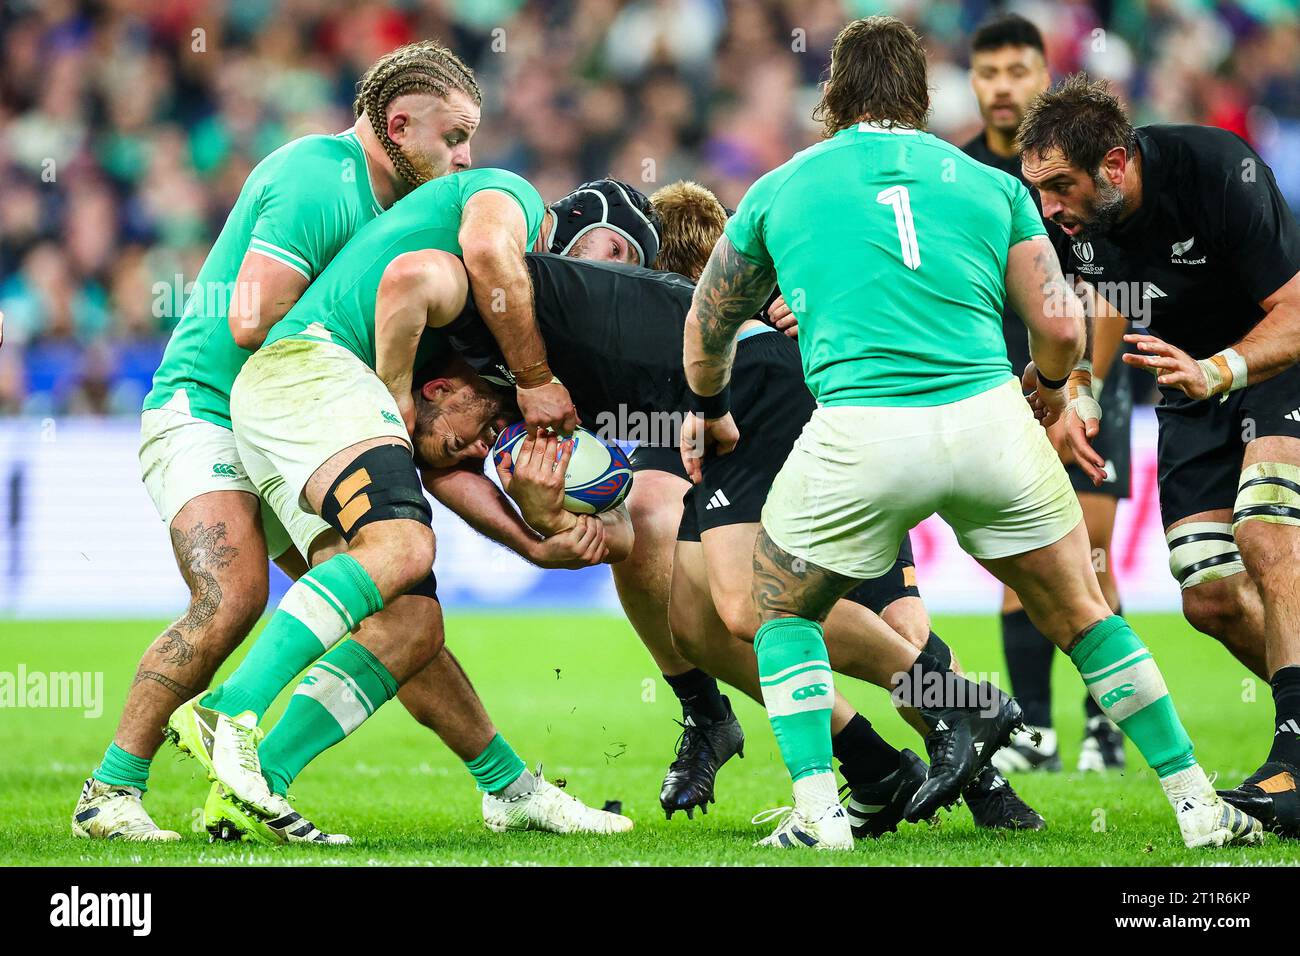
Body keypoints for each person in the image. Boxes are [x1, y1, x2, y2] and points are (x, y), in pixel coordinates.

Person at [681, 16, 1261, 850]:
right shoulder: (992, 185)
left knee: (776, 607)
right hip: (992, 422)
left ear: (831, 94)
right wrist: (1052, 393)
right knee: (1086, 613)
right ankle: (1196, 801)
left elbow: (706, 325)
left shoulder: (781, 187)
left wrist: (708, 407)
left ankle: (819, 815)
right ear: (923, 95)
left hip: (862, 432)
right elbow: (1059, 326)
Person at [74, 40, 492, 842]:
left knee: (397, 608)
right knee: (233, 596)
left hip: (286, 425)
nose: (465, 158)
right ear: (398, 126)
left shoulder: (392, 207)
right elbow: (249, 320)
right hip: (207, 408)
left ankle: (508, 785)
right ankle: (110, 791)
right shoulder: (317, 175)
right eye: (453, 137)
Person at [164, 165, 632, 837]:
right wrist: (516, 380)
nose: (483, 450)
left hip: (294, 406)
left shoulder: (474, 343)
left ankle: (259, 781)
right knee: (404, 543)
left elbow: (442, 463)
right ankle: (227, 707)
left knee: (410, 626)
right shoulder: (510, 216)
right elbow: (418, 276)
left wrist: (536, 540)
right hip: (309, 374)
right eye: (617, 253)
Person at [1017, 74, 1300, 836]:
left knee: (1267, 532)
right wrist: (1078, 388)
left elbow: (1297, 308)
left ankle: (1295, 760)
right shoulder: (1079, 223)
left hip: (1274, 361)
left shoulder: (1219, 171)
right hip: (1189, 382)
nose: (1048, 207)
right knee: (1208, 593)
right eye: (1038, 190)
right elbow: (1104, 293)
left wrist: (1219, 370)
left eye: (1059, 187)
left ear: (1114, 164)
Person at [961, 14, 1131, 773]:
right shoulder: (958, 172)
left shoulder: (1079, 167)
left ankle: (1104, 727)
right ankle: (1037, 733)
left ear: (1043, 76)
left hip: (1091, 379)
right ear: (973, 81)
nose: (1003, 87)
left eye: (1018, 71)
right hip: (1005, 391)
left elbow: (1112, 284)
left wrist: (1084, 390)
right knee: (1020, 560)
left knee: (1089, 554)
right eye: (988, 73)